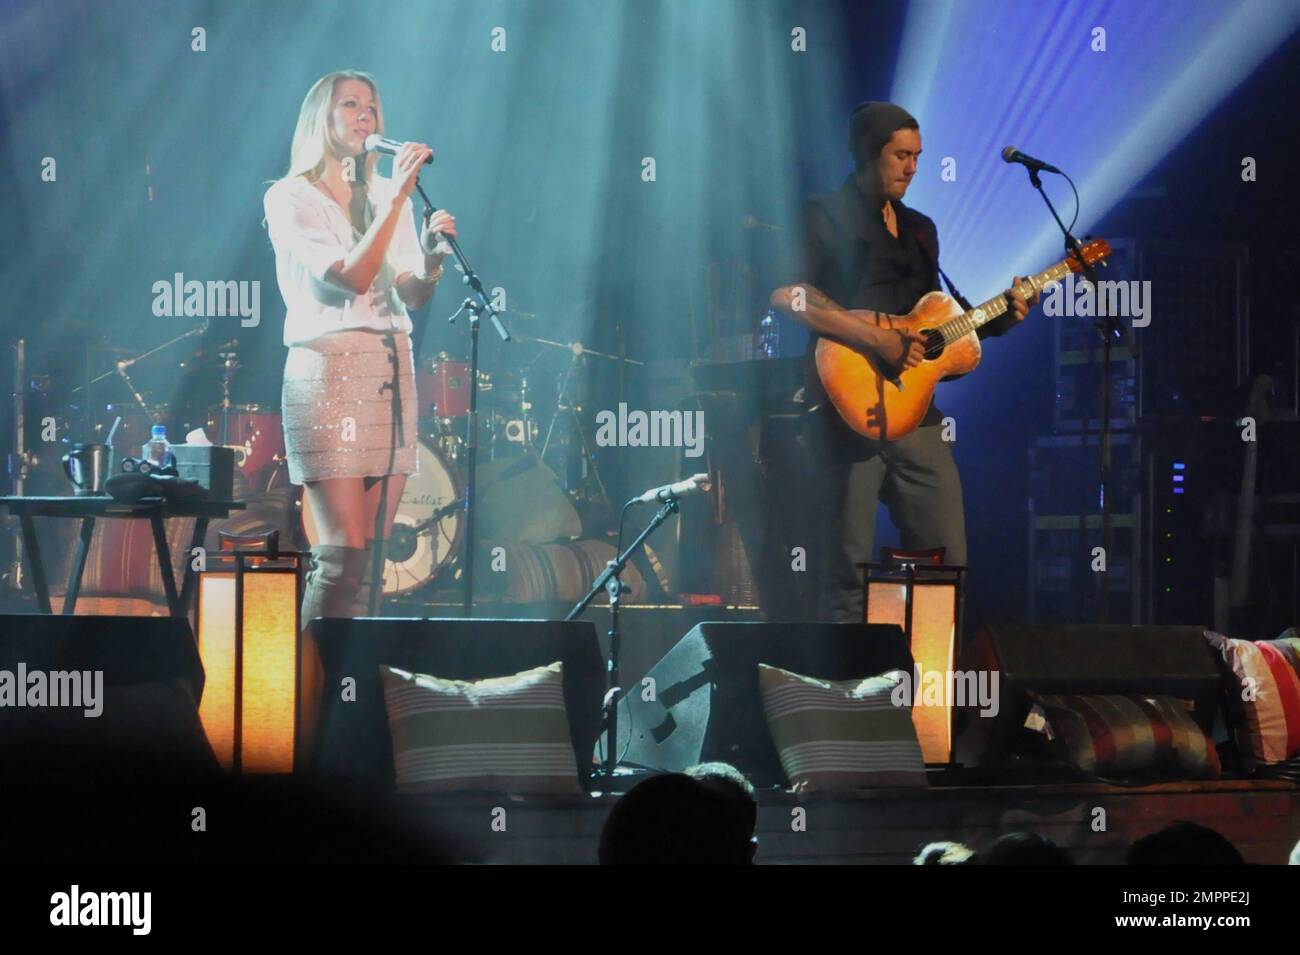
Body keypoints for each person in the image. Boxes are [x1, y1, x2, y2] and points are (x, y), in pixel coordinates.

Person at [771, 101, 1037, 623]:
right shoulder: (822, 214)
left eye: (917, 156)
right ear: (869, 156)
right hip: (845, 410)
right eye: (900, 155)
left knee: (947, 565)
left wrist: (1003, 316)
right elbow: (788, 296)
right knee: (846, 569)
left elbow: (935, 329)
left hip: (916, 415)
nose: (912, 167)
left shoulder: (921, 229)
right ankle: (845, 696)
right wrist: (874, 339)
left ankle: (927, 696)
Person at [263, 70, 457, 621]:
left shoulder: (380, 196)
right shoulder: (290, 197)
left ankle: (353, 697)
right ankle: (311, 694)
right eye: (349, 105)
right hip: (330, 370)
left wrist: (431, 256)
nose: (364, 116)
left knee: (375, 562)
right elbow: (348, 277)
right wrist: (396, 199)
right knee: (342, 555)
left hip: (393, 365)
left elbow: (408, 293)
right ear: (320, 120)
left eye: (371, 106)